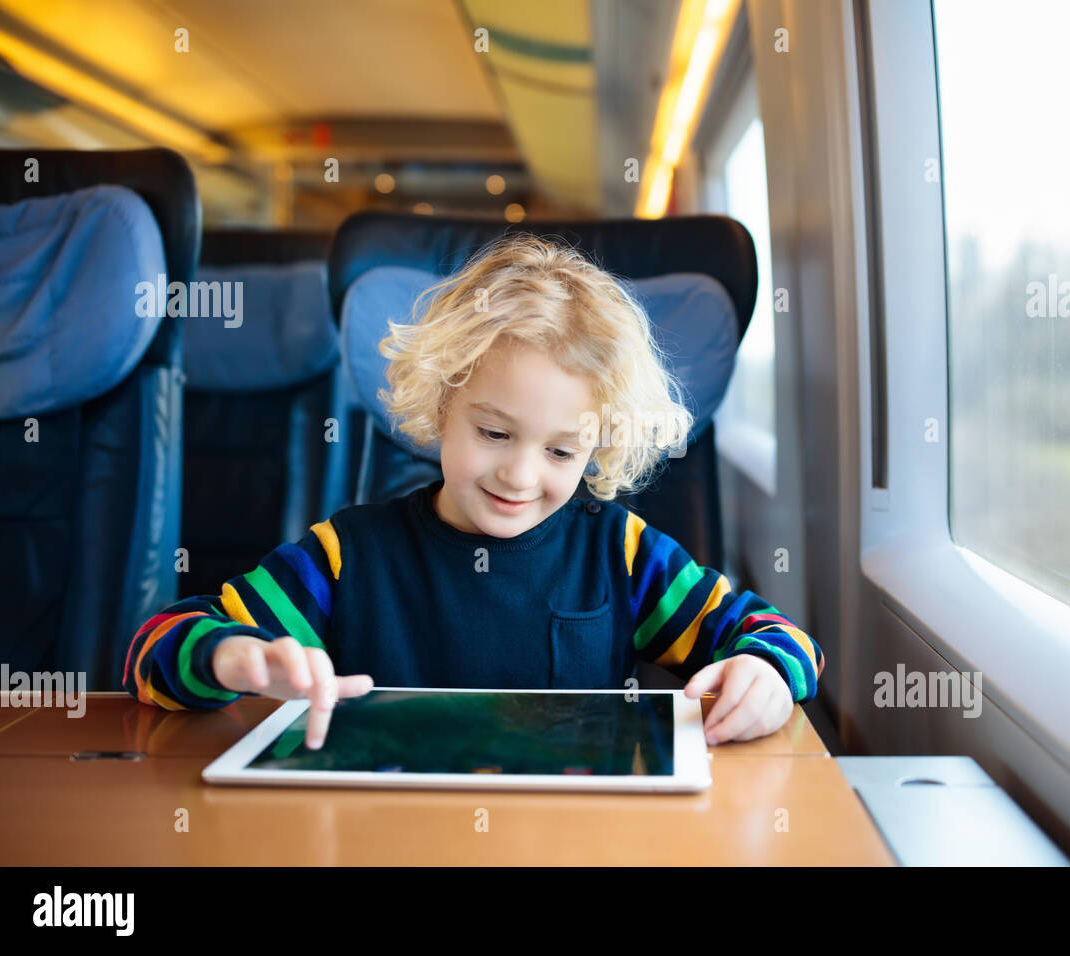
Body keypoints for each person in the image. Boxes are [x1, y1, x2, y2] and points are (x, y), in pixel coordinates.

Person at [123, 233, 824, 750]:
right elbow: (152, 648)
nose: (520, 476)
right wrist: (229, 657)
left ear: (597, 445)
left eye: (560, 450)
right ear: (440, 408)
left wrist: (767, 671)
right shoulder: (347, 556)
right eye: (493, 434)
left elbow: (782, 637)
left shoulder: (625, 552)